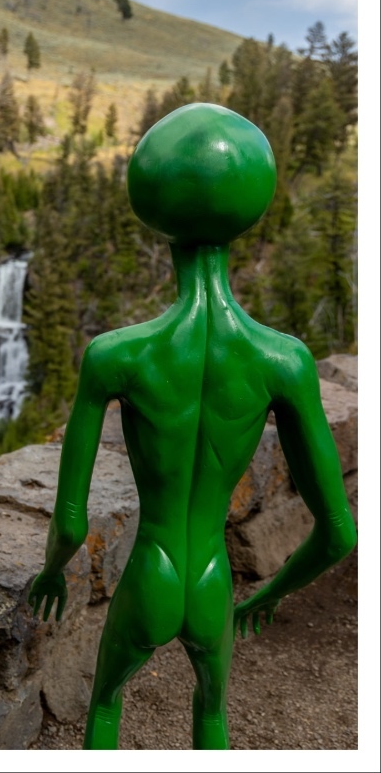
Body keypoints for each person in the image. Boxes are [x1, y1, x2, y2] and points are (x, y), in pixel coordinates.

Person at [27, 103, 356, 750]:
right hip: (211, 580)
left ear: (150, 202)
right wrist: (267, 597)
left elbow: (70, 520)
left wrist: (50, 573)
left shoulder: (115, 356)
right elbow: (337, 532)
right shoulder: (284, 361)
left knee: (105, 706)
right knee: (211, 715)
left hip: (152, 569)